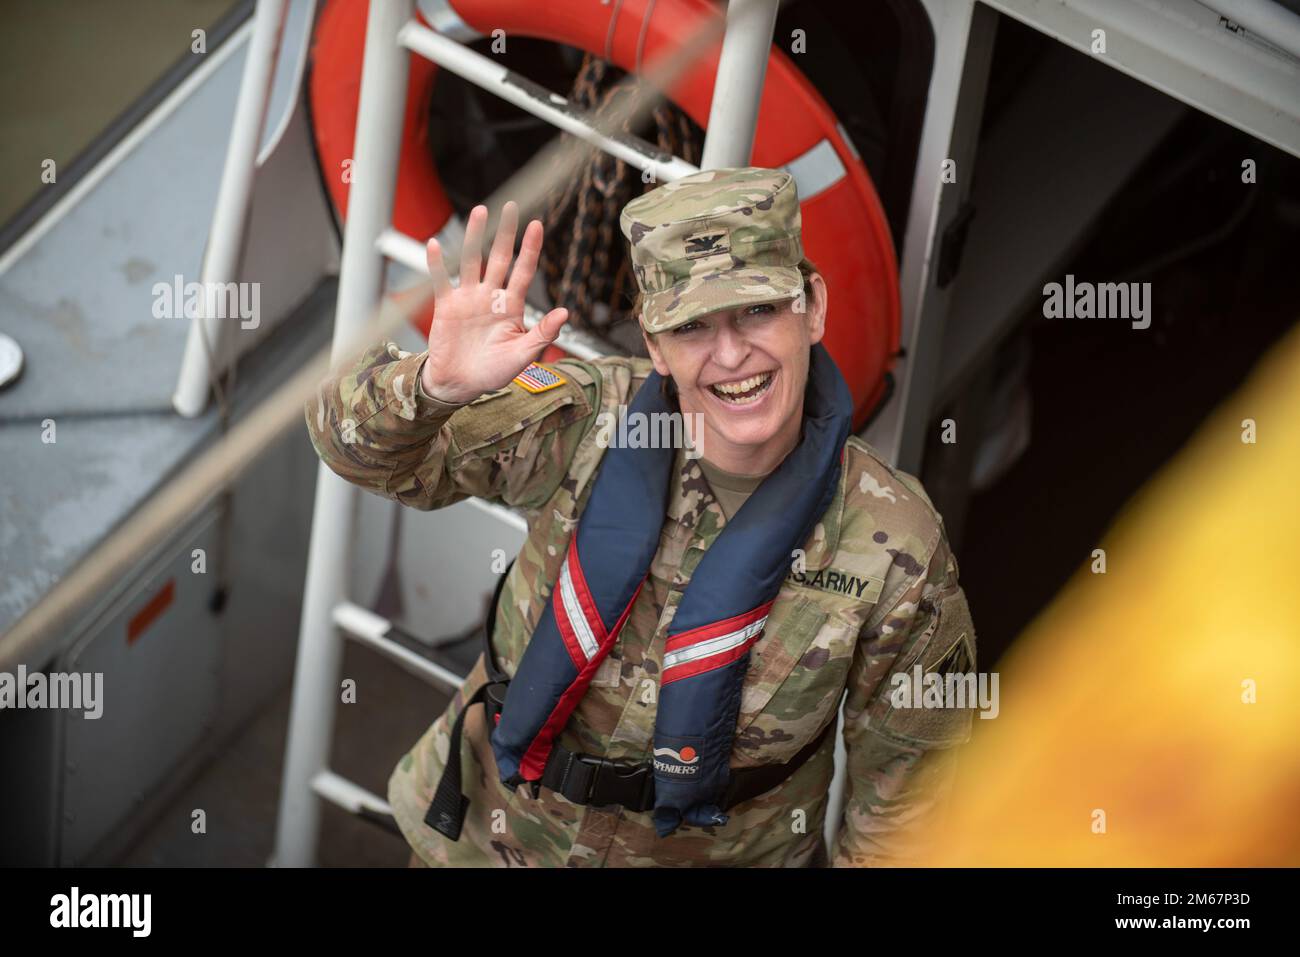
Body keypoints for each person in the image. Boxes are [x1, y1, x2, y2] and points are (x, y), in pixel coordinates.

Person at [305, 166, 978, 867]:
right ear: (654, 346)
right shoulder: (586, 420)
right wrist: (433, 388)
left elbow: (906, 816)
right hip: (484, 842)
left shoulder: (897, 548)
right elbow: (353, 449)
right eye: (690, 326)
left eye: (758, 311)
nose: (730, 354)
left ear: (812, 307)